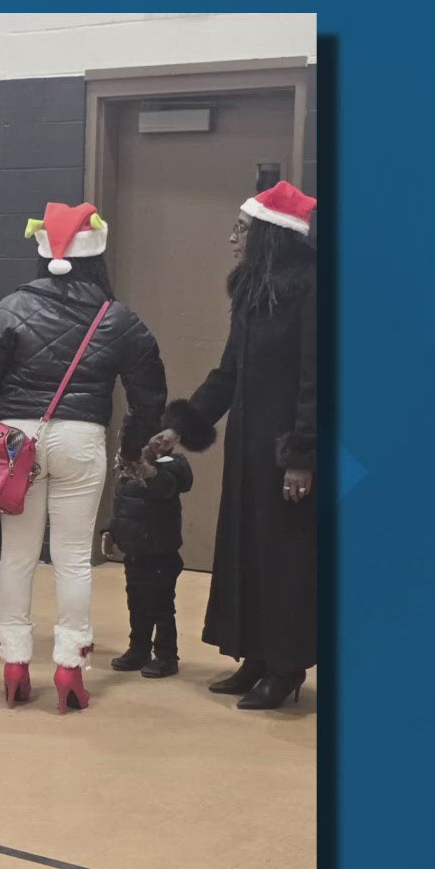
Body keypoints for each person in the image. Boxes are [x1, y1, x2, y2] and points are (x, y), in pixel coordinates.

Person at [0, 202, 167, 713]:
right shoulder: (117, 318)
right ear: (96, 257)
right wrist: (132, 449)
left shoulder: (11, 308)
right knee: (73, 557)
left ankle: (14, 665)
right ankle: (69, 667)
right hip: (82, 438)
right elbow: (150, 394)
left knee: (18, 556)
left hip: (16, 443)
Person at [148, 181, 317, 710]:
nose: (232, 238)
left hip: (286, 453)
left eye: (241, 229)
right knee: (247, 551)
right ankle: (256, 657)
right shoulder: (249, 290)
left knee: (283, 558)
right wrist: (181, 426)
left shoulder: (312, 289)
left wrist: (302, 457)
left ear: (270, 234)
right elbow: (228, 374)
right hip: (248, 446)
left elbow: (316, 379)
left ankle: (286, 668)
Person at [102, 442, 194, 678]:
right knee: (137, 605)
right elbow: (123, 507)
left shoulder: (170, 469)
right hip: (135, 553)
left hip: (161, 554)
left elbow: (166, 486)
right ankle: (138, 649)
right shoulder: (128, 471)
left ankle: (166, 656)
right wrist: (111, 532)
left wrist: (149, 471)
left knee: (161, 607)